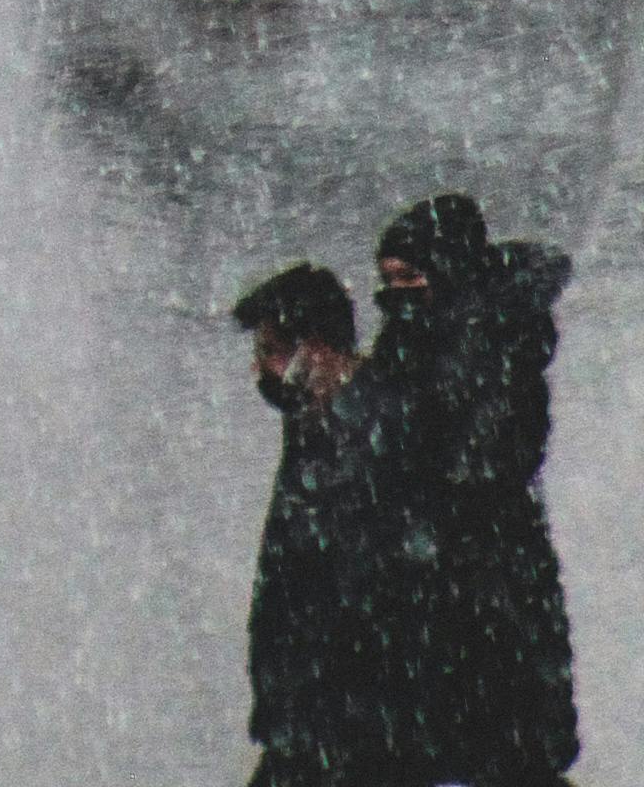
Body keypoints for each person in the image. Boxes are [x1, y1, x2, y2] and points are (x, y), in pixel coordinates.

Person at [353, 193, 579, 787]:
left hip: (475, 600)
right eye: (389, 281)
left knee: (490, 747)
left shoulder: (492, 346)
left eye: (411, 277)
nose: (397, 294)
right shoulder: (430, 341)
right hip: (462, 600)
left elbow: (475, 467)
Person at [232, 262, 388, 787]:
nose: (260, 372)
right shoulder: (316, 434)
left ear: (315, 348)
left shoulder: (367, 440)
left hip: (345, 743)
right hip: (310, 737)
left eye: (269, 352)